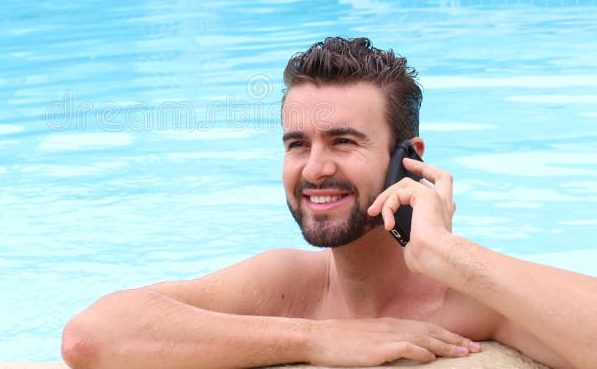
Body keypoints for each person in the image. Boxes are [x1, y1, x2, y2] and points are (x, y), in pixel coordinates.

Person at [61, 37, 596, 369]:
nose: (314, 168)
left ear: (407, 158)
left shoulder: (466, 296)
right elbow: (92, 337)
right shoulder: (290, 286)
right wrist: (319, 340)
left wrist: (446, 253)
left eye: (343, 141)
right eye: (297, 144)